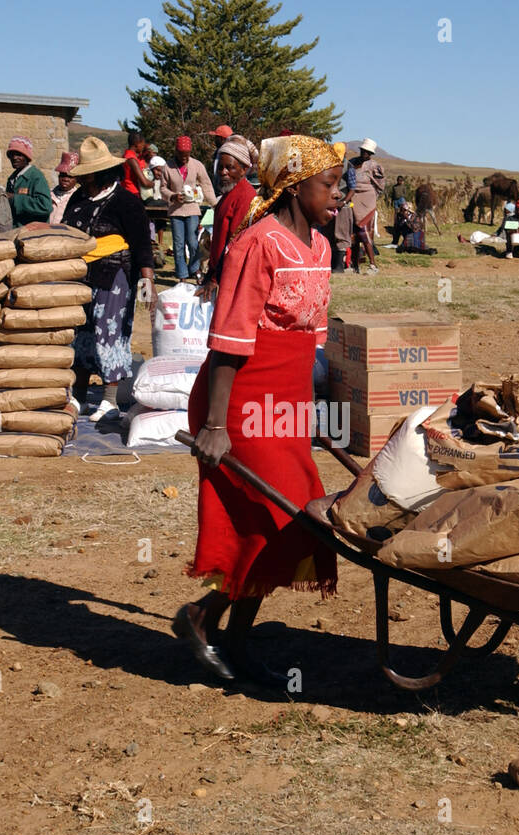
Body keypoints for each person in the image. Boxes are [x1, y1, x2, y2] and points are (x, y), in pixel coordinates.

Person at [175, 134, 343, 685]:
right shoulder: (258, 244)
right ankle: (204, 619)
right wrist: (217, 426)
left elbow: (309, 344)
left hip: (287, 397)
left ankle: (231, 635)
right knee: (271, 516)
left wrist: (310, 414)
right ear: (295, 185)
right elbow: (228, 341)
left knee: (297, 522)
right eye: (329, 184)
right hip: (240, 398)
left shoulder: (319, 247)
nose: (338, 195)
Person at [60, 137, 156, 422]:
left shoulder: (126, 201)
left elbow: (142, 243)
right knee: (81, 333)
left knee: (109, 332)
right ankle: (77, 395)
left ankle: (110, 401)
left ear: (97, 173)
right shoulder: (78, 199)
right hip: (81, 277)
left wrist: (147, 280)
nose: (82, 180)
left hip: (115, 276)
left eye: (86, 174)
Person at [199, 135, 258, 299]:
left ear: (244, 169)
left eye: (230, 167)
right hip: (220, 272)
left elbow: (235, 244)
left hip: (231, 278)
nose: (223, 172)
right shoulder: (228, 193)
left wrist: (215, 278)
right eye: (221, 167)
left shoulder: (245, 197)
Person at [164, 135, 217, 284]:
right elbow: (162, 188)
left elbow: (206, 184)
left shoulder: (197, 165)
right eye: (182, 155)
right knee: (179, 243)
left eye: (187, 155)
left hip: (193, 209)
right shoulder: (167, 167)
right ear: (176, 151)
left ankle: (195, 269)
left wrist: (214, 204)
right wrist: (172, 196)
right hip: (176, 211)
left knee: (193, 242)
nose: (185, 159)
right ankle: (182, 274)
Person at [349, 138, 385, 273]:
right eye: (364, 151)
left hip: (367, 200)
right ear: (361, 150)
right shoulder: (352, 162)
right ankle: (355, 265)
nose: (365, 153)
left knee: (363, 231)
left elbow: (381, 185)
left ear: (371, 154)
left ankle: (373, 265)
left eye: (368, 152)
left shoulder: (374, 166)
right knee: (353, 233)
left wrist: (373, 197)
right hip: (354, 198)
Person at [4, 137, 52, 226]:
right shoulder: (12, 179)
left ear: (27, 157)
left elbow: (45, 206)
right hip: (15, 232)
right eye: (12, 155)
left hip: (33, 234)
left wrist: (15, 199)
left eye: (19, 155)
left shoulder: (36, 177)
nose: (14, 158)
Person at [50, 151, 81, 224]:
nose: (65, 179)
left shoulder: (77, 199)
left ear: (77, 179)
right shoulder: (48, 195)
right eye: (62, 175)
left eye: (70, 177)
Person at [122, 131, 154, 197]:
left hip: (126, 190)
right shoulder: (131, 159)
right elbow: (144, 182)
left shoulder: (126, 155)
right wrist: (154, 184)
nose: (143, 147)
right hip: (132, 193)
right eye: (142, 144)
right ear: (137, 144)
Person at [208, 124, 233, 192]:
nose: (214, 140)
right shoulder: (217, 153)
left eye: (216, 137)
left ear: (222, 139)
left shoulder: (231, 154)